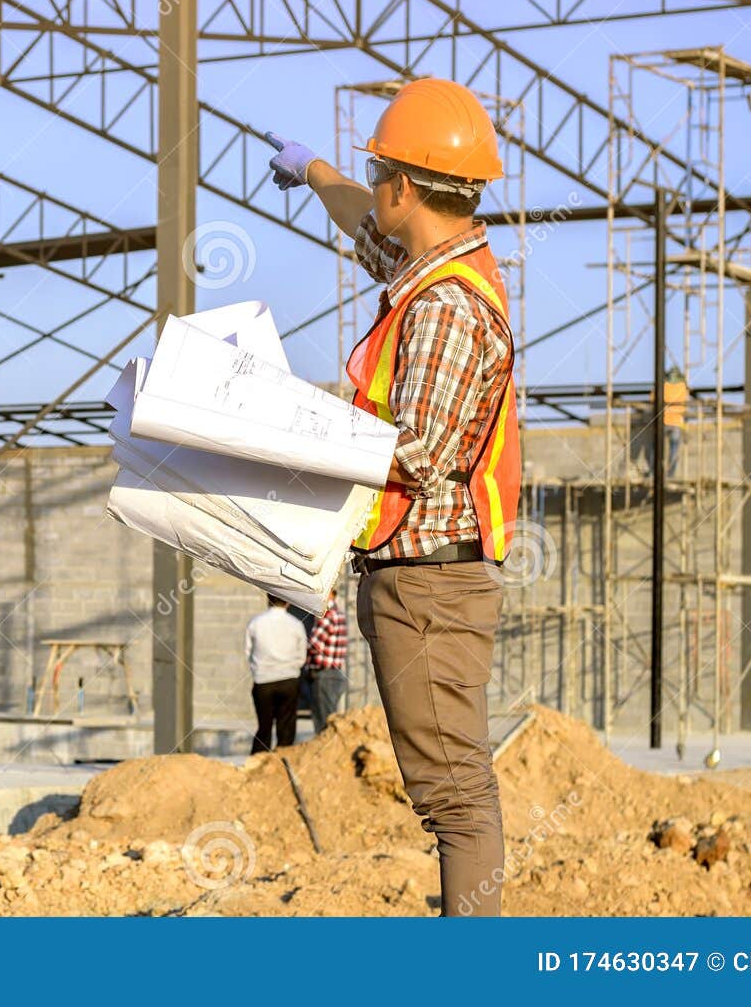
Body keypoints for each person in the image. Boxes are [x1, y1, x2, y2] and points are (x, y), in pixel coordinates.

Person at [266, 77, 522, 917]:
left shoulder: (445, 306)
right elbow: (363, 223)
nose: (371, 186)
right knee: (449, 791)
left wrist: (292, 425)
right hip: (417, 580)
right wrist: (314, 172)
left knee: (454, 799)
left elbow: (421, 450)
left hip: (431, 585)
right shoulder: (427, 266)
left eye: (379, 173)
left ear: (406, 187)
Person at [244, 593, 308, 755]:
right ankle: (282, 764)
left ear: (268, 600)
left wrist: (259, 669)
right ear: (287, 602)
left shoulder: (256, 623)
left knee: (264, 727)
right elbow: (302, 655)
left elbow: (248, 652)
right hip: (289, 680)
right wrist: (292, 668)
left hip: (263, 681)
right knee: (286, 727)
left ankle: (257, 764)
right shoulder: (295, 624)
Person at [304, 588, 349, 735]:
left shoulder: (328, 615)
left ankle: (328, 755)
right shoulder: (338, 614)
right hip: (331, 674)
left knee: (324, 724)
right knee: (328, 719)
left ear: (330, 593)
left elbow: (313, 644)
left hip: (325, 675)